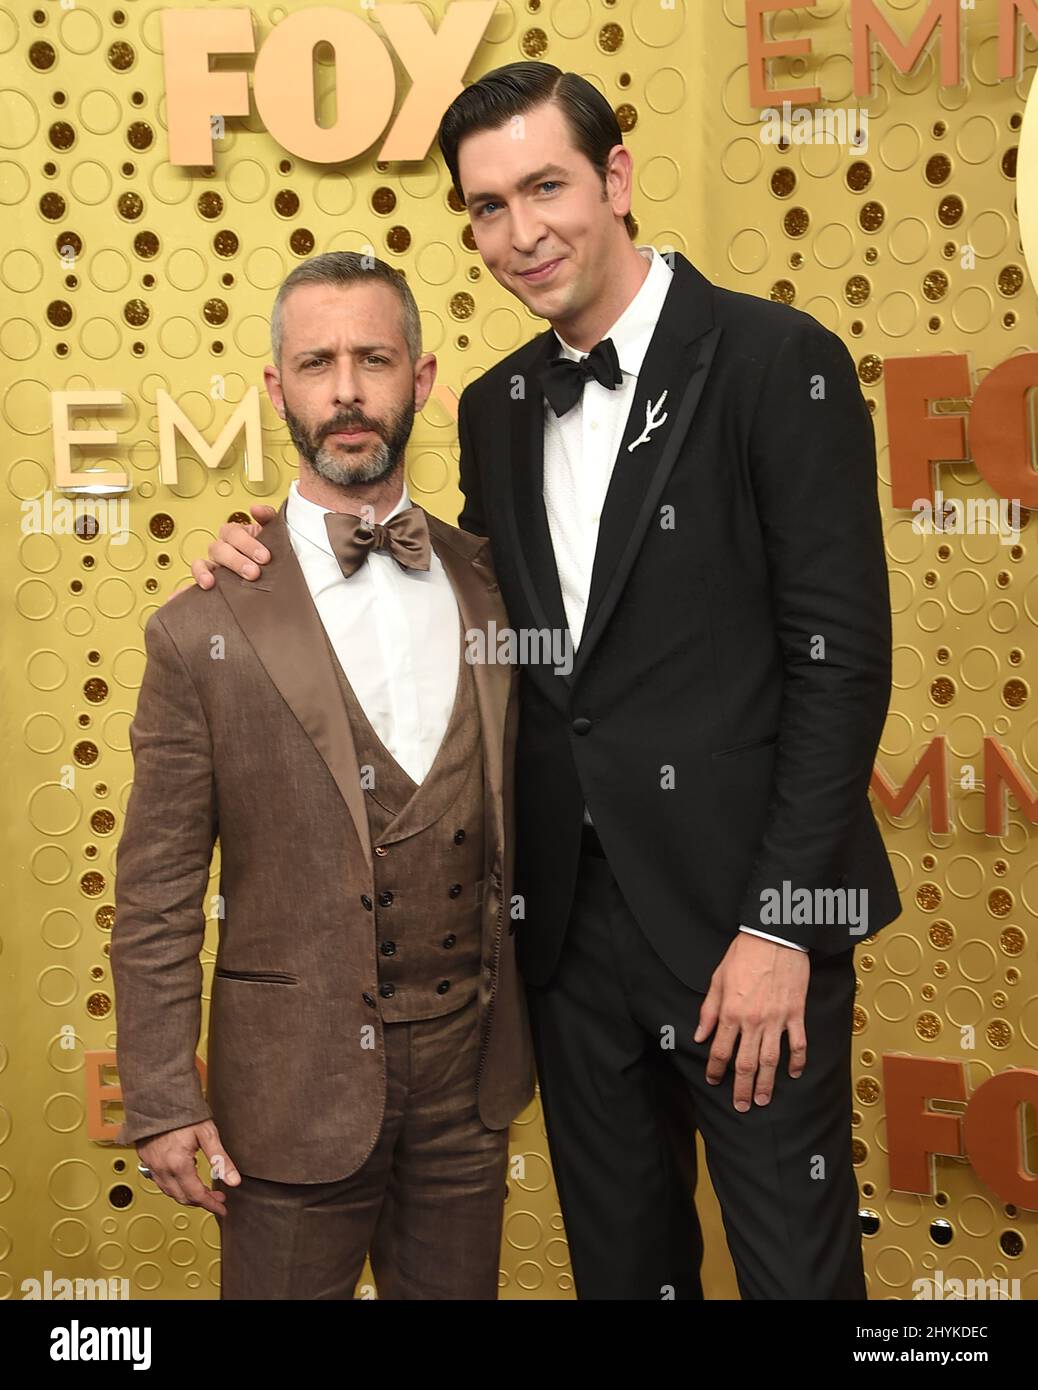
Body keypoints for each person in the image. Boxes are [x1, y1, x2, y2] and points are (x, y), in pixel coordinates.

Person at [191, 63, 902, 1300]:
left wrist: (784, 923)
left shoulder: (779, 359)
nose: (519, 234)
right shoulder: (505, 403)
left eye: (546, 187)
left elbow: (841, 663)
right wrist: (266, 555)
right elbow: (453, 585)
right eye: (485, 207)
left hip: (746, 935)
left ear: (615, 179)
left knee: (798, 1278)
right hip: (563, 948)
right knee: (623, 1276)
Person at [112, 250, 534, 1300]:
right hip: (288, 1092)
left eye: (374, 359)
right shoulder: (200, 624)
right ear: (277, 390)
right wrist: (163, 1095)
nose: (346, 390)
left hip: (468, 1083)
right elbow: (158, 887)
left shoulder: (495, 581)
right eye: (317, 363)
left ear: (422, 379)